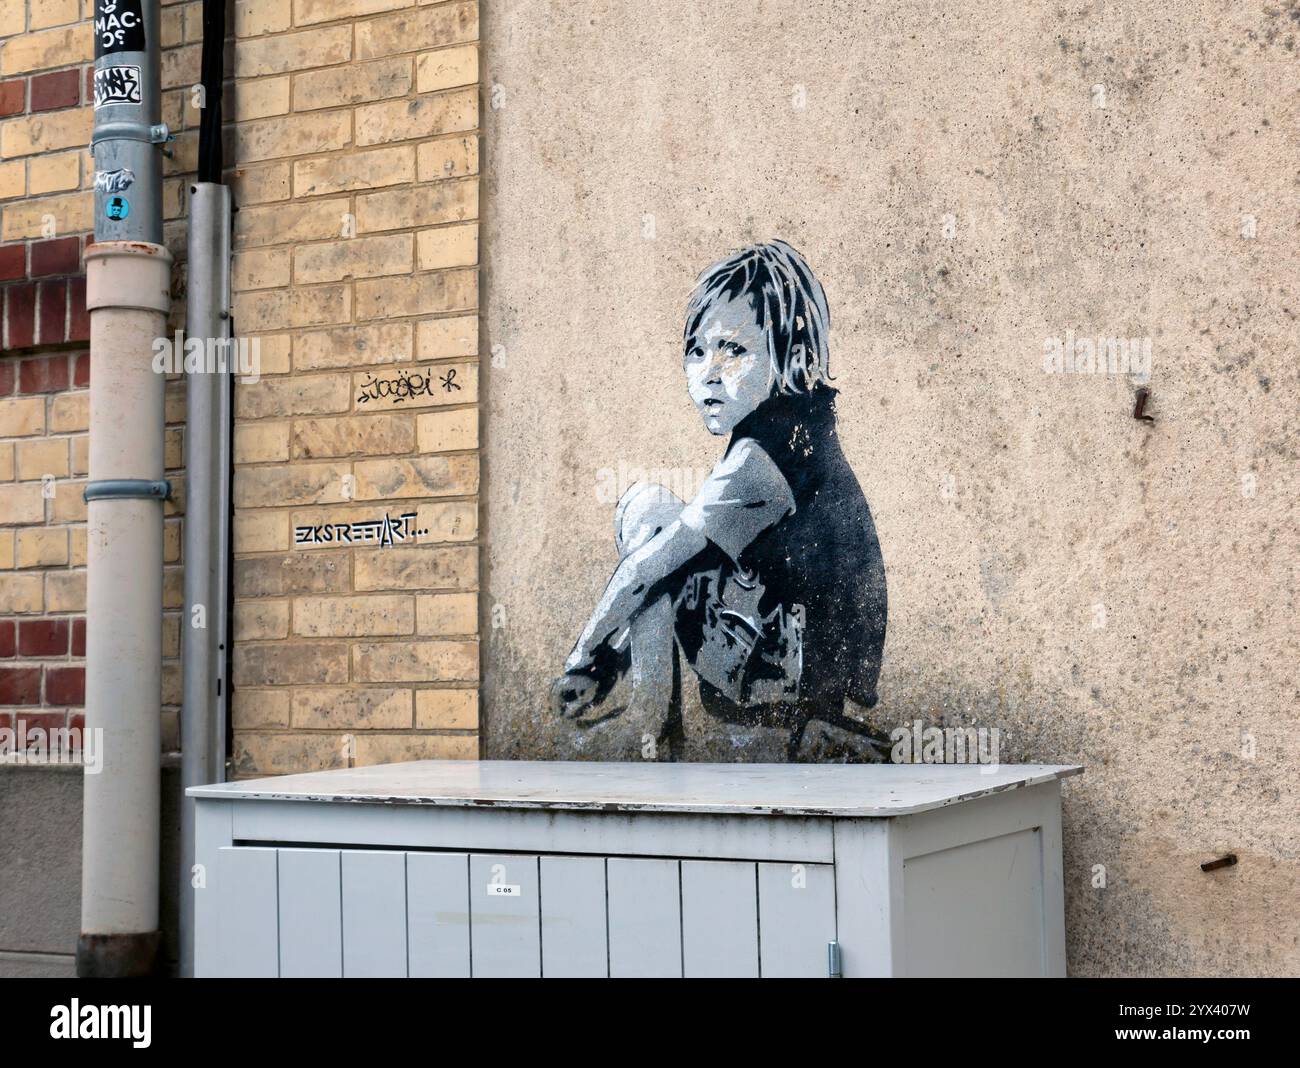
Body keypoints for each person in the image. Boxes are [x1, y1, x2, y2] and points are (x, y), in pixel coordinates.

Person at [551, 240, 888, 761]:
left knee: (648, 512)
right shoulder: (799, 430)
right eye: (697, 350)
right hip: (786, 649)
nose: (709, 371)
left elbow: (650, 569)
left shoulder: (762, 462)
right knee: (666, 523)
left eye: (733, 349)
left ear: (791, 356)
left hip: (787, 678)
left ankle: (651, 731)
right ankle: (653, 721)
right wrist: (612, 662)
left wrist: (586, 656)